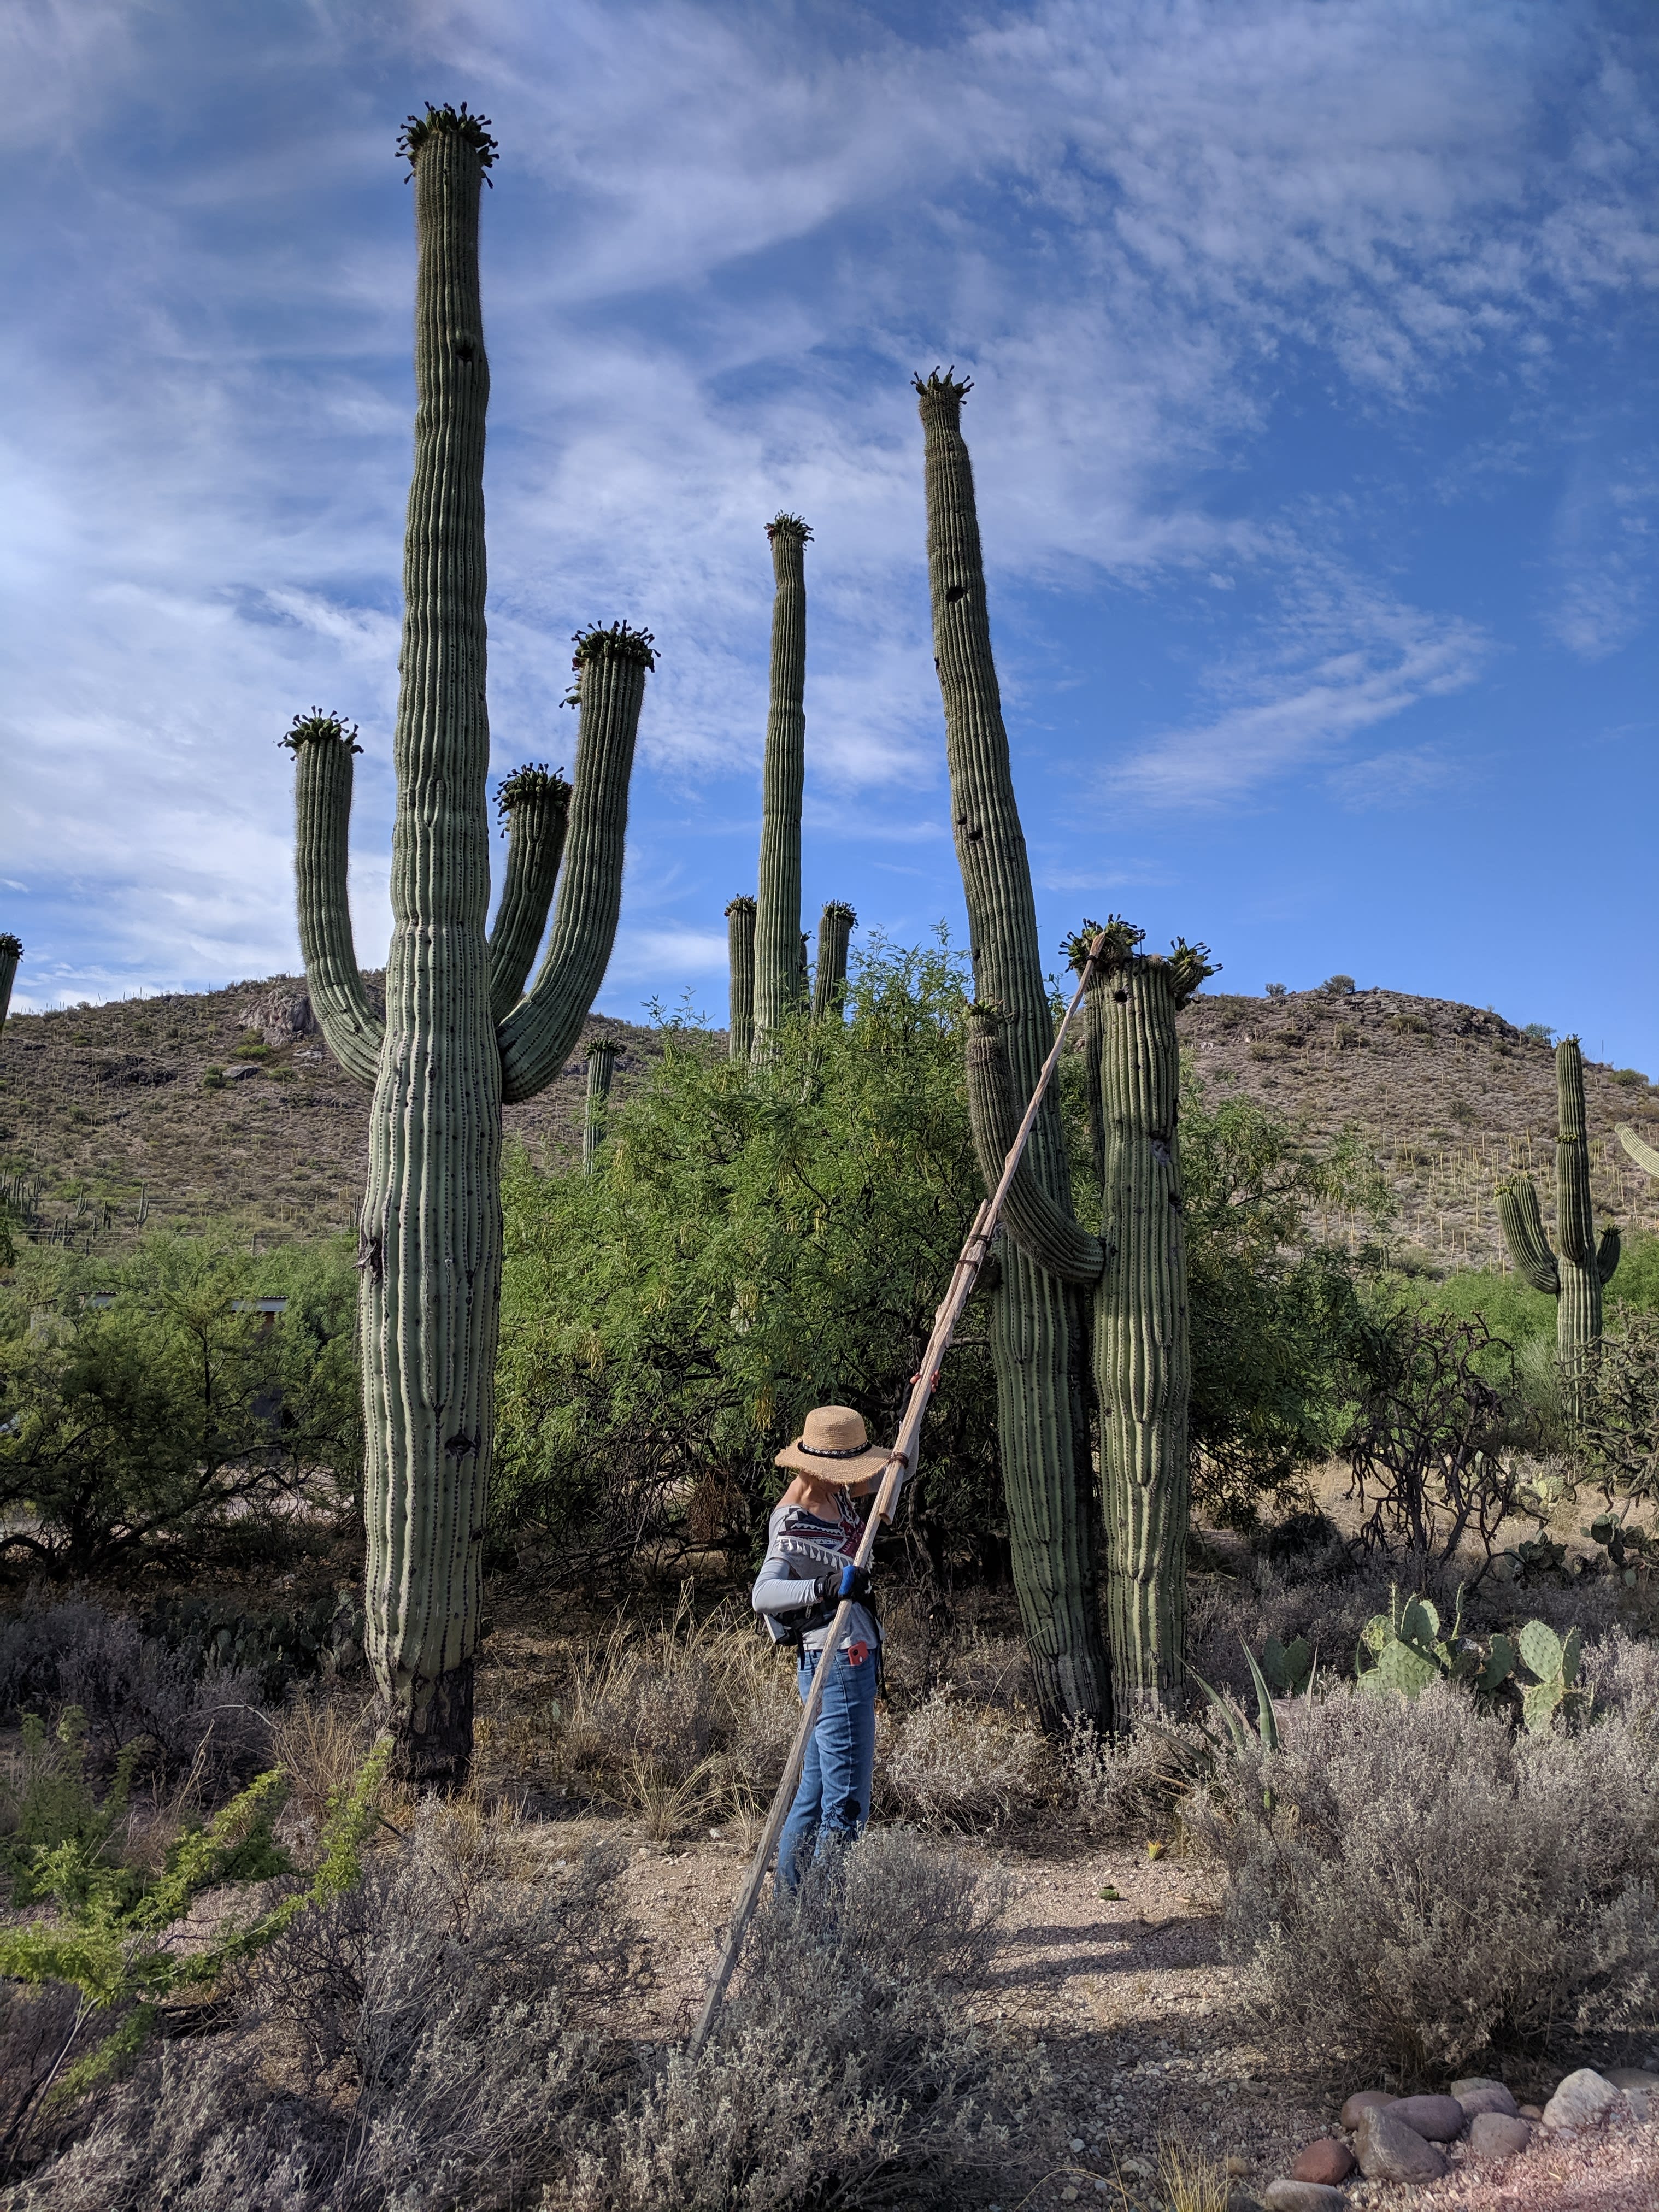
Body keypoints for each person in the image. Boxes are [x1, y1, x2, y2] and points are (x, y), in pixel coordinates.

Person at [750, 1403, 891, 1891]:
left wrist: (925, 1389)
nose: (854, 1478)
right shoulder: (791, 1523)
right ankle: (821, 1929)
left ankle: (793, 1913)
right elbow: (763, 1596)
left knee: (812, 1796)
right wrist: (827, 1586)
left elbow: (896, 1472)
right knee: (847, 1804)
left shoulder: (842, 1498)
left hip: (846, 1661)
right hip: (834, 1663)